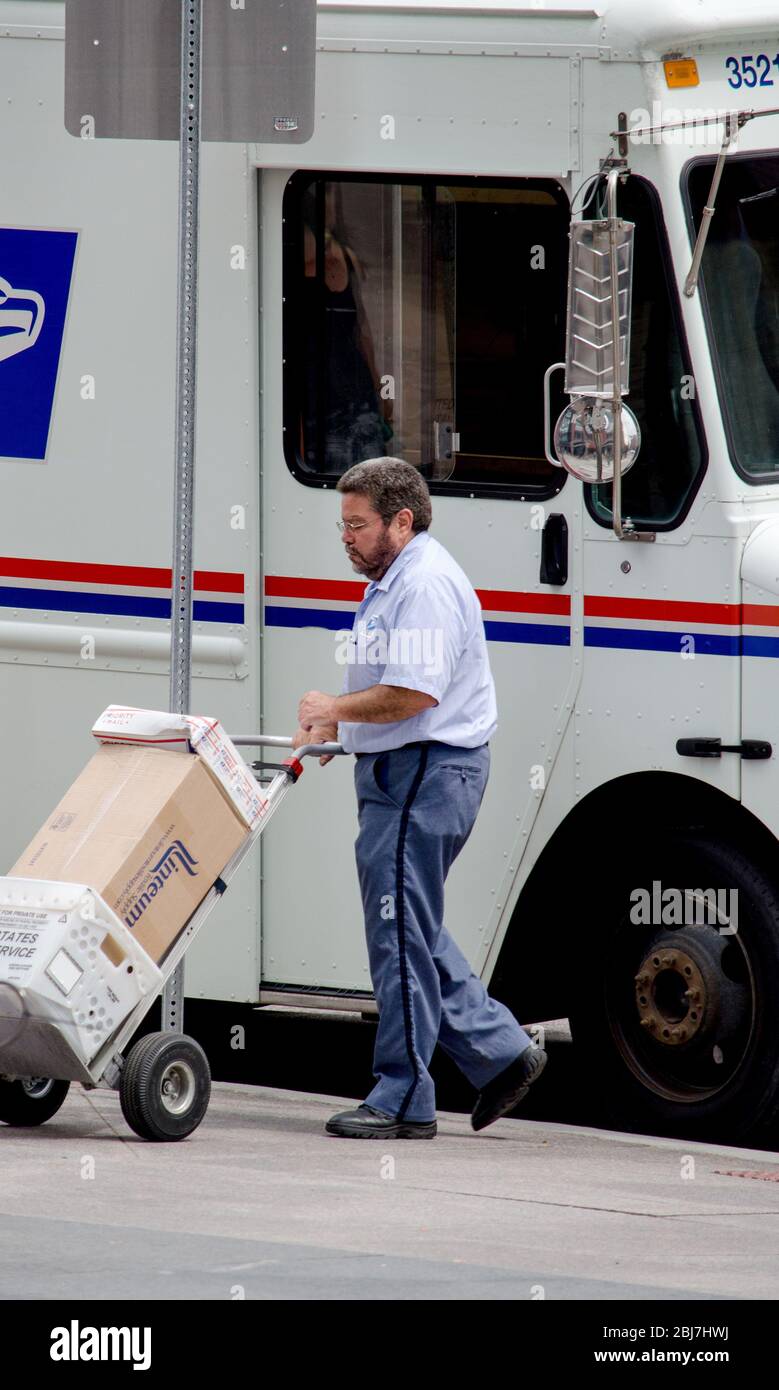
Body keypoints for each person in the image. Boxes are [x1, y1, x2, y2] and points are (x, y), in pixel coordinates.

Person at [293, 457, 547, 1138]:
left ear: (400, 521)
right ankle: (500, 1052)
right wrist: (339, 735)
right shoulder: (398, 578)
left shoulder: (423, 584)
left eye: (358, 525)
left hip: (423, 773)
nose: (345, 538)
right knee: (408, 922)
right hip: (408, 772)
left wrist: (334, 710)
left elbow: (414, 693)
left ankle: (403, 1094)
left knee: (396, 928)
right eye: (342, 525)